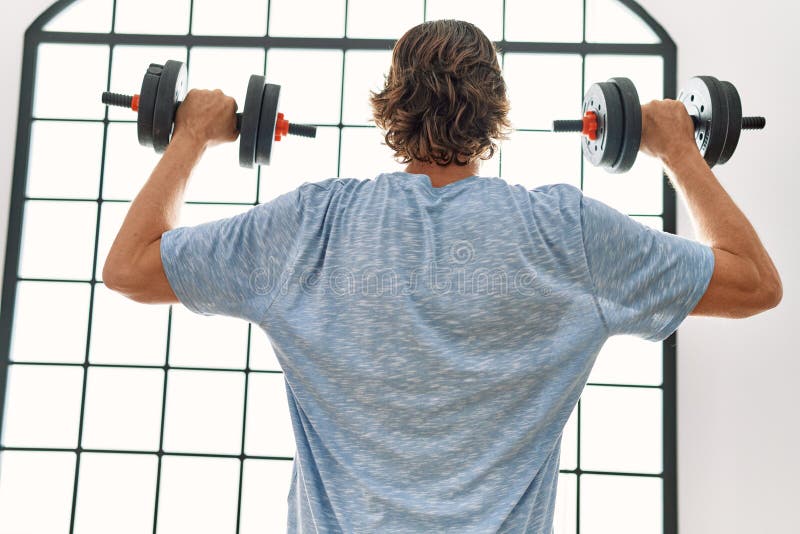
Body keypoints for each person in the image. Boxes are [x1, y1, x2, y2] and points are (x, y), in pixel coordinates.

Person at [103, 19, 781, 534]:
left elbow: (130, 267)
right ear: (495, 109)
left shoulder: (310, 226)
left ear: (389, 106)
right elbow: (753, 283)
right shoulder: (571, 236)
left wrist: (192, 135)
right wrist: (681, 152)